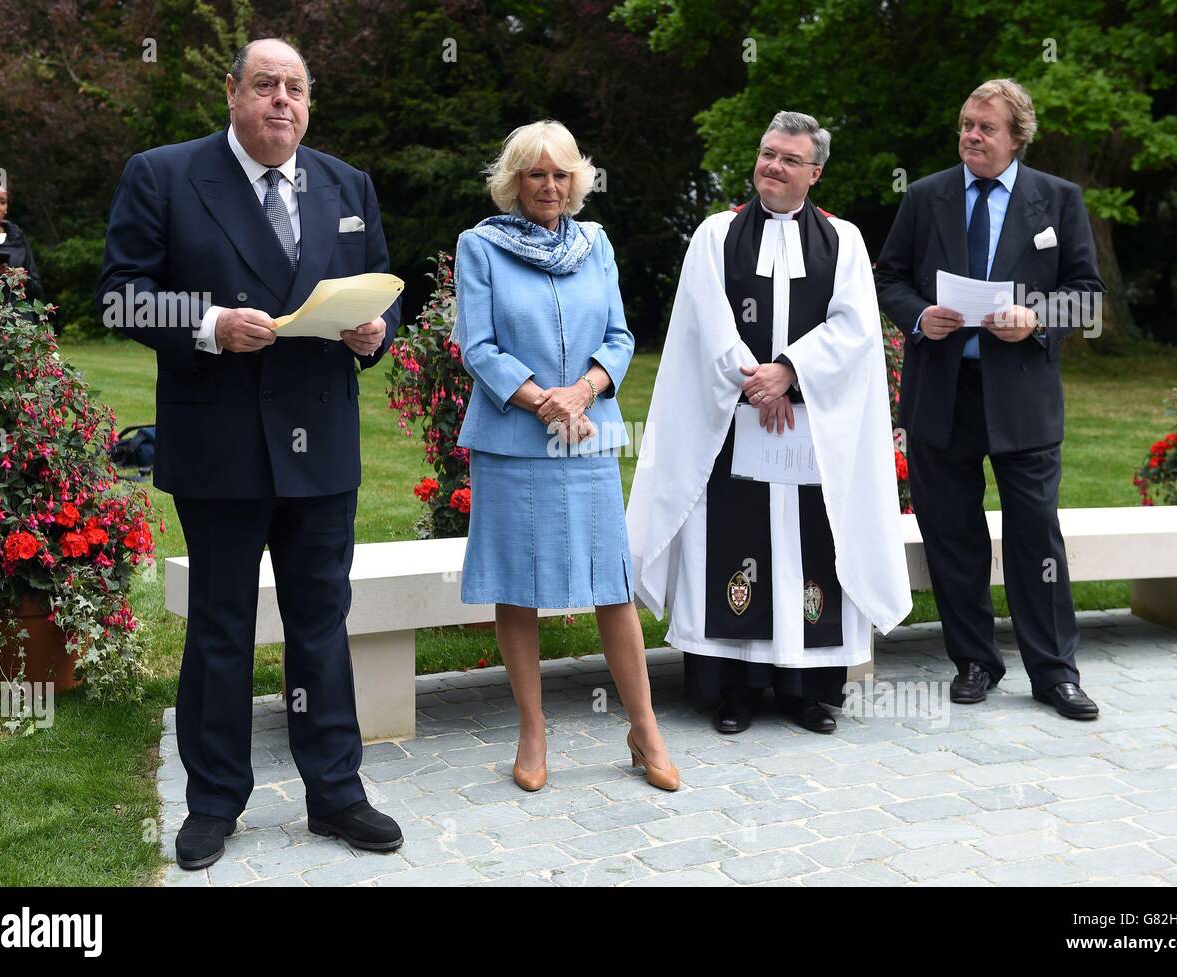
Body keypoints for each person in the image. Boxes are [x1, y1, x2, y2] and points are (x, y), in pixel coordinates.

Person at [97, 38, 404, 870]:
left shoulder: (348, 185)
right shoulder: (163, 174)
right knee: (222, 629)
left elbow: (382, 288)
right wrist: (209, 325)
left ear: (309, 104)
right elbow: (122, 295)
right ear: (232, 94)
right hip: (220, 447)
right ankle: (213, 800)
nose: (281, 101)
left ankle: (337, 792)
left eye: (295, 88)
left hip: (321, 446)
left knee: (320, 625)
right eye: (264, 85)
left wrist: (376, 333)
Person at [626, 111, 912, 736]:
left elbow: (857, 327)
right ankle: (735, 690)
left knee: (810, 545)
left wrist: (788, 370)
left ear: (814, 173)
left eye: (788, 159)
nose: (773, 167)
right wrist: (753, 382)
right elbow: (706, 318)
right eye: (766, 154)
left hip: (810, 431)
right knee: (735, 541)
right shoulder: (715, 234)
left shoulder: (846, 242)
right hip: (732, 424)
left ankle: (807, 690)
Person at [456, 120, 678, 792]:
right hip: (512, 438)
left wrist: (581, 391)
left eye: (560, 174)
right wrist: (541, 400)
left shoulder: (596, 243)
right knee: (515, 585)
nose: (549, 186)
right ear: (514, 182)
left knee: (611, 583)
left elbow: (618, 335)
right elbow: (479, 345)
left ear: (576, 180)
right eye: (535, 174)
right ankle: (532, 730)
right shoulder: (480, 247)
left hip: (588, 433)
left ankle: (644, 726)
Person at [874, 78, 1106, 720]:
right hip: (941, 396)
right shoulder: (925, 197)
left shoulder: (1058, 200)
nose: (972, 136)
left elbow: (1088, 293)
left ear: (1017, 138)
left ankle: (1056, 673)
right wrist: (921, 316)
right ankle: (974, 660)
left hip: (1023, 398)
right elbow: (888, 277)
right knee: (952, 535)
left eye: (986, 128)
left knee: (1037, 537)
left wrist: (1035, 317)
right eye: (966, 124)